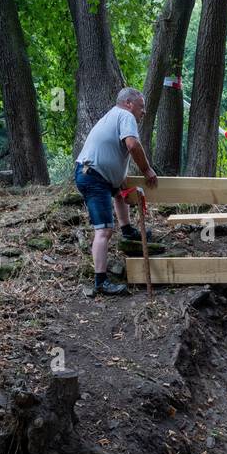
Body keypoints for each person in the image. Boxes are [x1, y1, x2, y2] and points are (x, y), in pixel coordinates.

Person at [74, 88, 158, 297]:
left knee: (119, 191)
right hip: (93, 176)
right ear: (129, 103)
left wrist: (120, 180)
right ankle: (100, 282)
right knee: (104, 231)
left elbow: (116, 155)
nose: (144, 112)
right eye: (141, 106)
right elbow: (132, 144)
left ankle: (128, 230)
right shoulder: (125, 115)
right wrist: (147, 170)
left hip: (96, 175)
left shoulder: (113, 116)